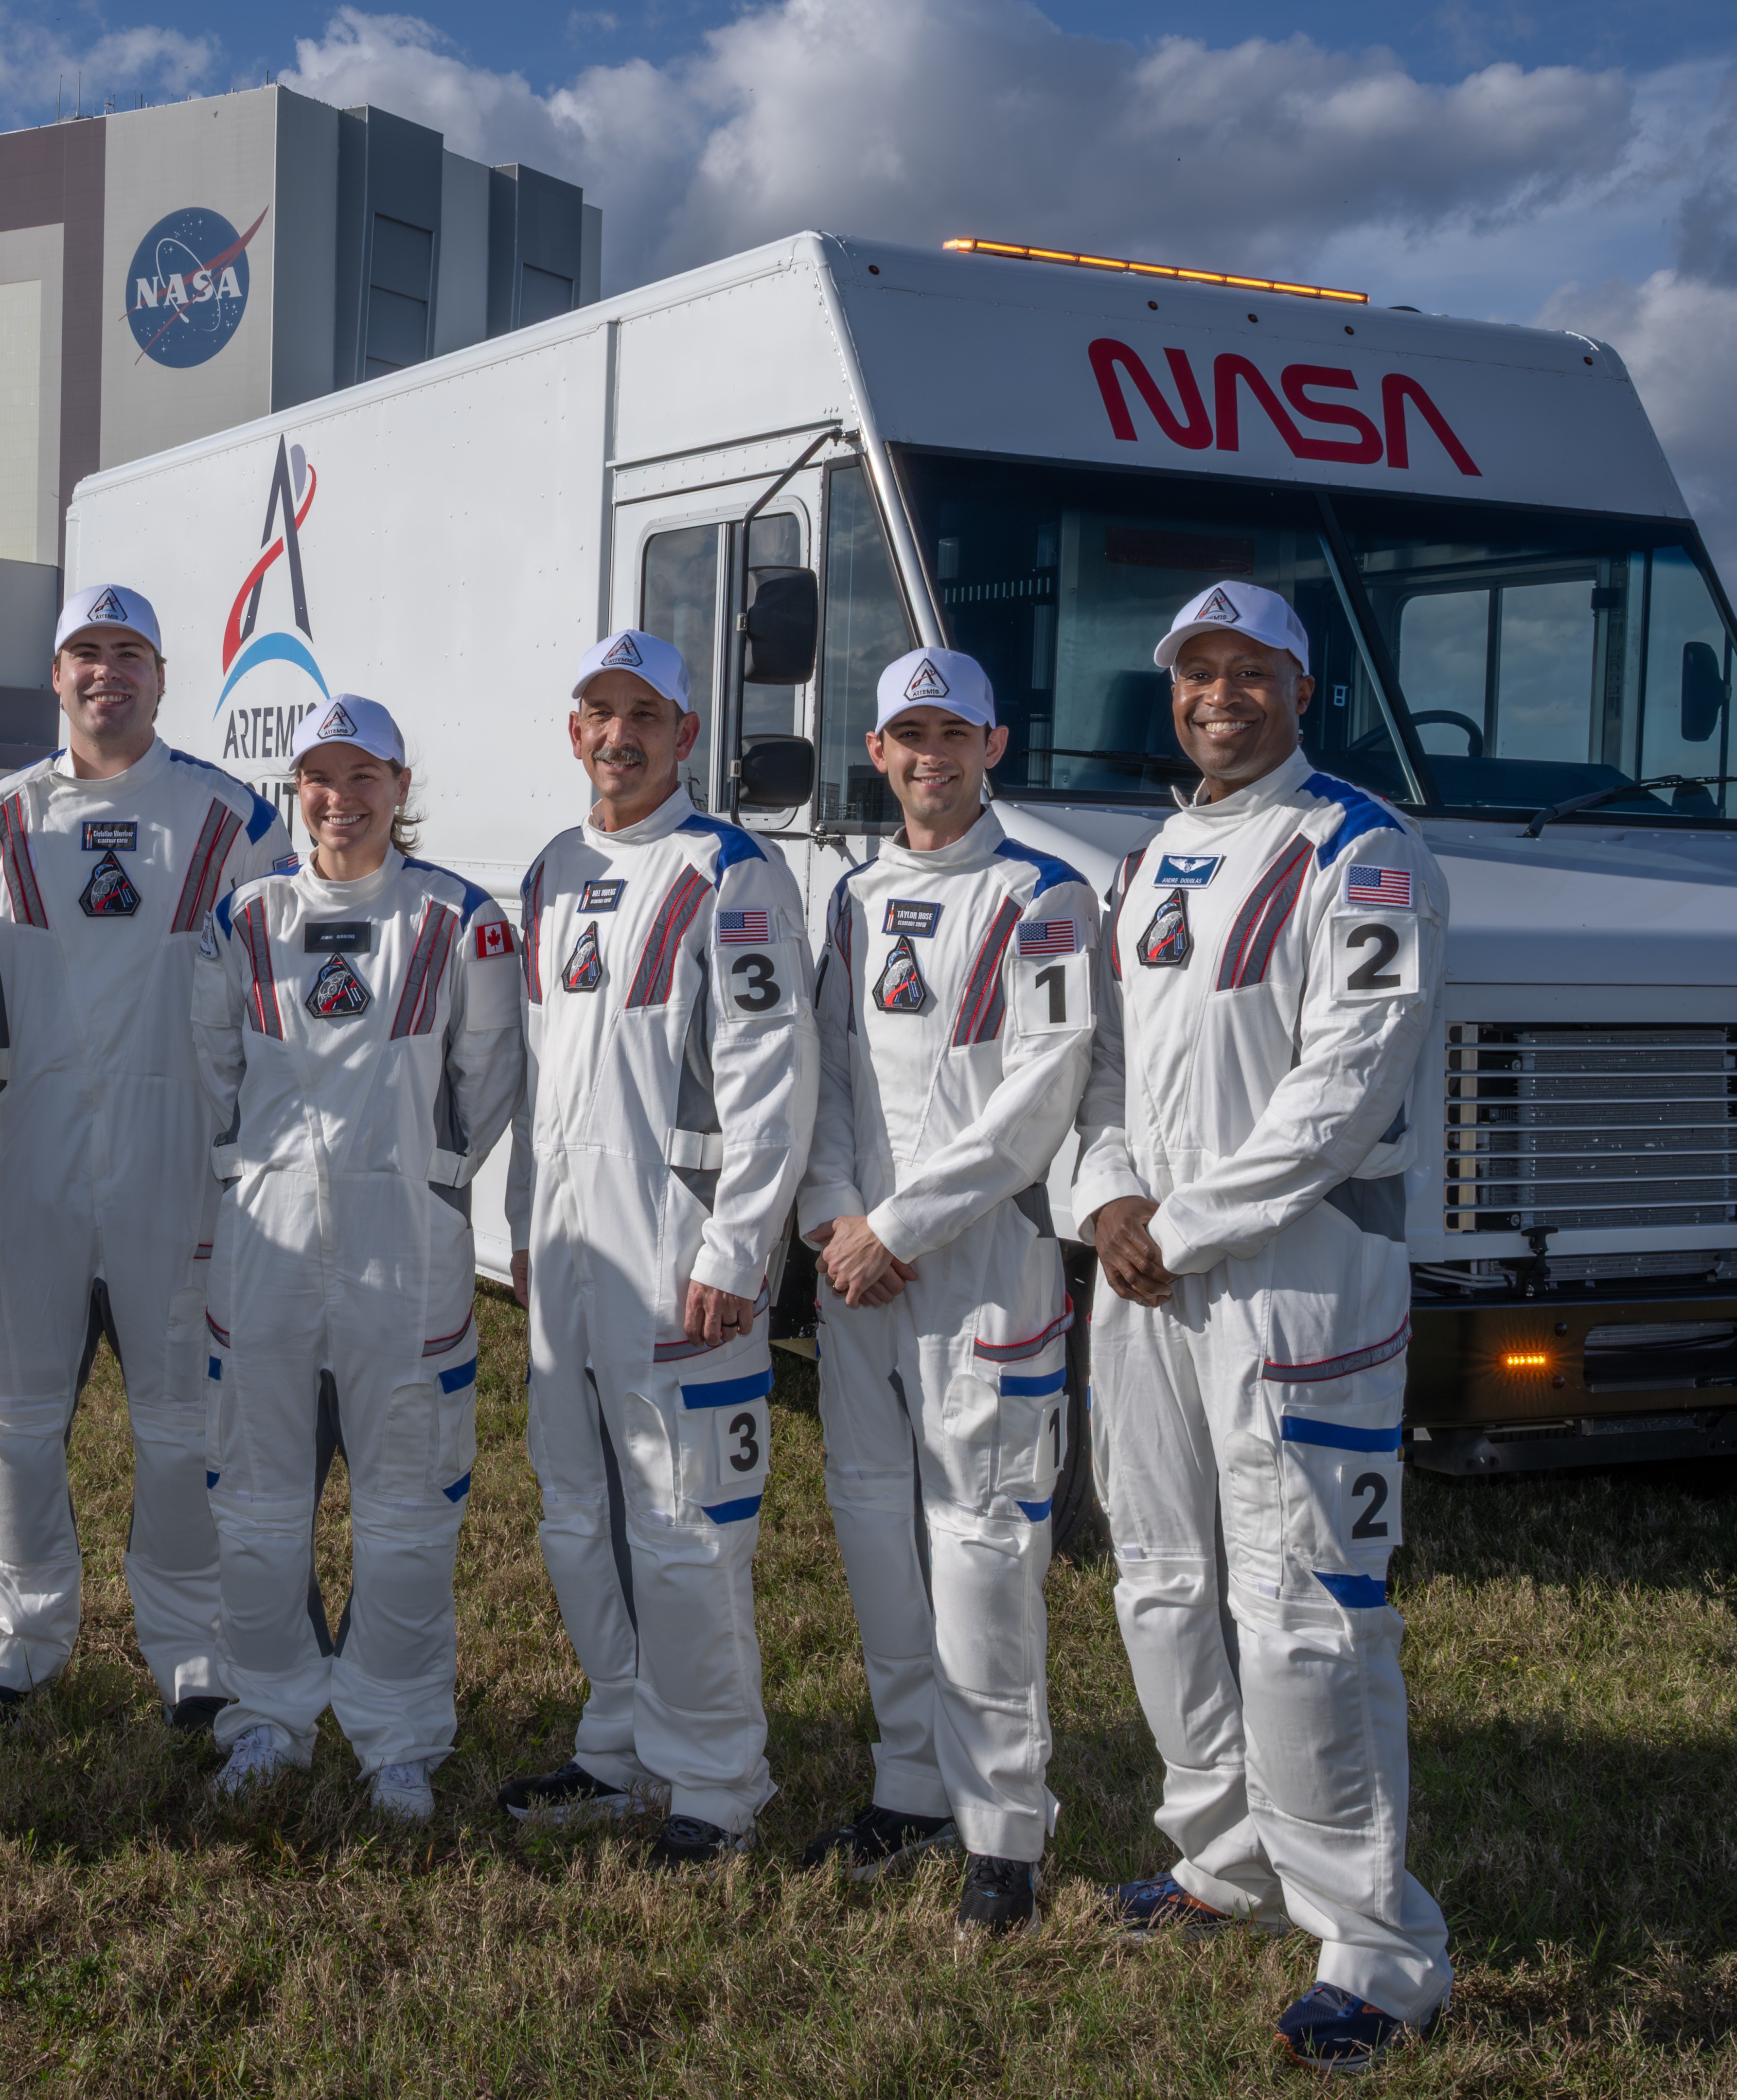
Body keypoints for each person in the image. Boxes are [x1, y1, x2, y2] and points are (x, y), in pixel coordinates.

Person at [1076, 581, 1453, 2071]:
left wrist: (1174, 1223)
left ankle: (1377, 1946)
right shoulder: (1147, 857)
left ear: (1303, 689)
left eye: (1247, 672)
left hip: (1300, 1281)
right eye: (1192, 672)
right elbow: (1094, 1063)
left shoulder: (1360, 851)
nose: (1215, 694)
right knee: (1160, 1580)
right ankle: (1219, 1855)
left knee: (1307, 1615)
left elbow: (1341, 1090)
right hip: (1145, 1276)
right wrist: (1108, 1200)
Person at [0, 586, 284, 1734]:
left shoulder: (233, 818)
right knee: (13, 1418)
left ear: (161, 675)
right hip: (28, 1152)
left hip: (177, 1160)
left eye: (128, 653)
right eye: (85, 653)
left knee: (183, 1422)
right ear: (56, 674)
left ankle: (193, 1650)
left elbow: (276, 1008)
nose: (106, 674)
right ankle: (18, 1645)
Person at [791, 648, 1099, 1931]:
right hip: (858, 1278)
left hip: (983, 1270)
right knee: (874, 1528)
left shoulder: (1047, 897)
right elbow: (830, 1079)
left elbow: (1044, 1092)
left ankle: (1002, 1836)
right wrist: (830, 1222)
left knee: (980, 1552)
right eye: (907, 736)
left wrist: (901, 1225)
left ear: (994, 745)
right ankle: (908, 1786)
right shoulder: (855, 897)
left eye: (953, 735)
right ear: (875, 753)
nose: (930, 757)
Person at [496, 629, 813, 1865]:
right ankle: (618, 1746)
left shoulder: (732, 872)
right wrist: (525, 1226)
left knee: (686, 1527)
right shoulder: (552, 869)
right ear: (573, 731)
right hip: (568, 1257)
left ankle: (718, 1787)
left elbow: (773, 1082)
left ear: (687, 734)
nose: (618, 734)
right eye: (597, 712)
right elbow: (536, 1078)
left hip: (680, 1256)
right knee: (577, 1516)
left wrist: (740, 1252)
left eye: (645, 714)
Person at [189, 699, 522, 1819]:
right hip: (267, 1249)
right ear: (296, 791)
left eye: (363, 776)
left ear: (400, 782)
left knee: (408, 1503)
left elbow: (490, 1079)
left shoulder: (459, 920)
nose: (340, 799)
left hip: (408, 1254)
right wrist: (259, 1177)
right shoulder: (245, 920)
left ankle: (398, 1733)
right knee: (256, 1500)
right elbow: (211, 1072)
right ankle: (269, 1715)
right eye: (318, 780)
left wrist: (417, 1177)